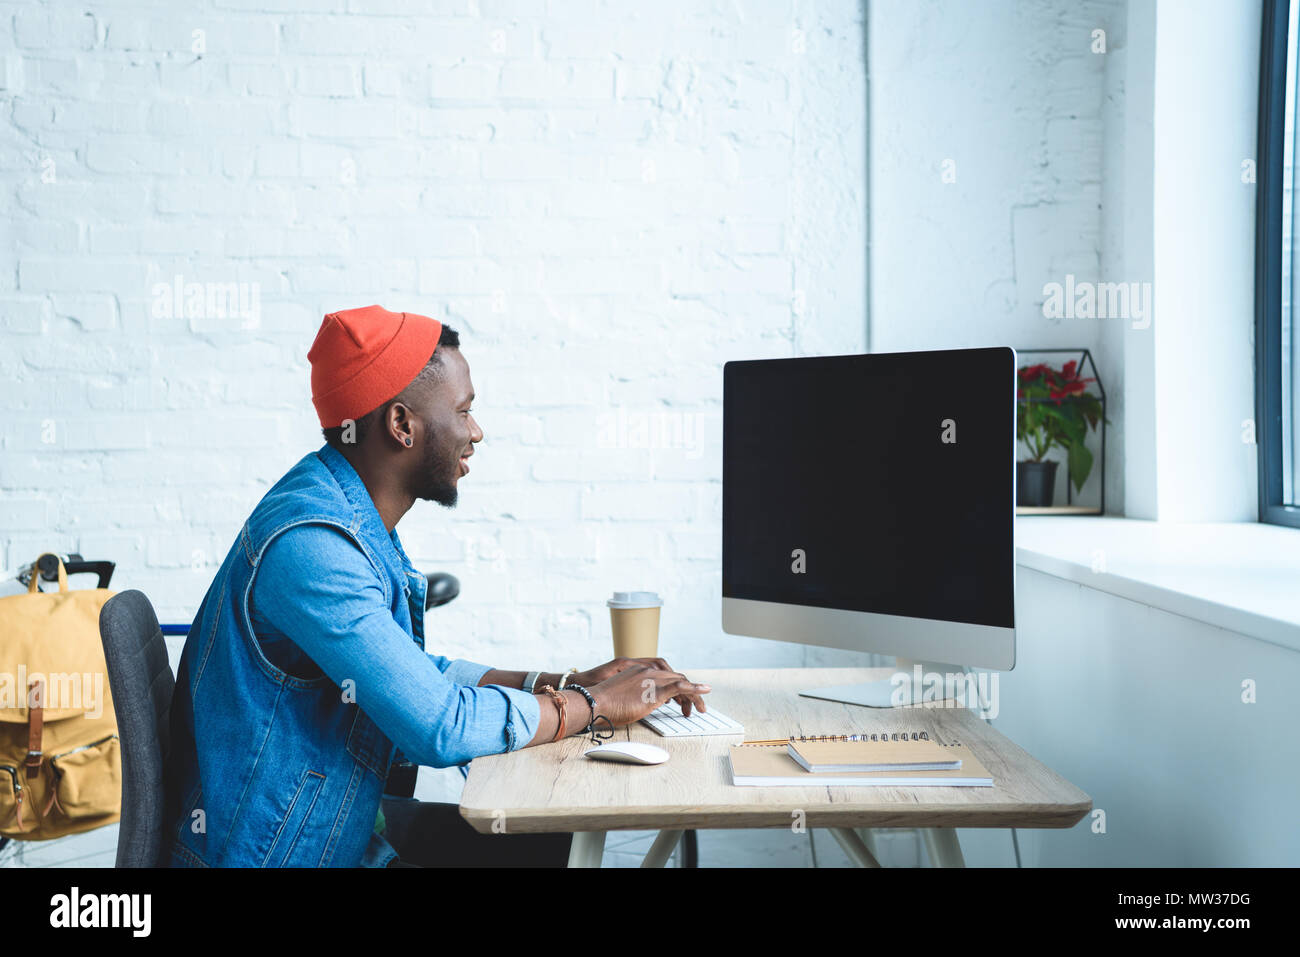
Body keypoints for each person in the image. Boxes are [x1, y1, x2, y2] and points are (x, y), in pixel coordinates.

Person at [162, 305, 710, 867]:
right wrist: (591, 706)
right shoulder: (313, 548)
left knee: (547, 842)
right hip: (279, 853)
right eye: (464, 411)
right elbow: (438, 725)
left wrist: (557, 682)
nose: (476, 432)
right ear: (402, 425)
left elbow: (412, 678)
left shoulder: (342, 511)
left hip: (330, 824)